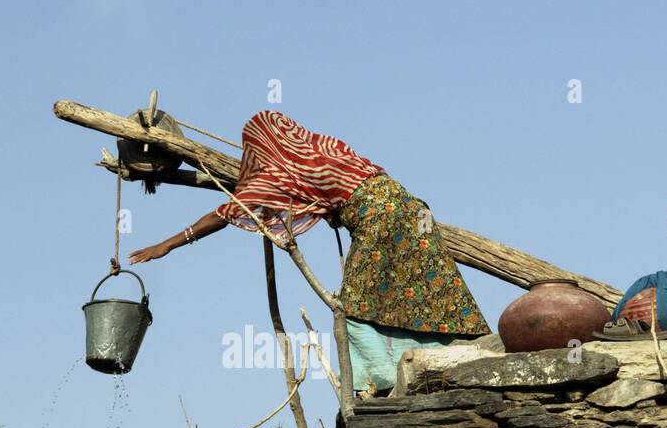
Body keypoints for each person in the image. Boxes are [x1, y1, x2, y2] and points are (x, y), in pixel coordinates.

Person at [128, 110, 489, 395]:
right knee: (431, 288)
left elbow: (225, 213)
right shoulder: (327, 147)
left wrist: (168, 245)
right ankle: (464, 353)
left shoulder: (278, 175)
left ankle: (377, 383)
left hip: (377, 220)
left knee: (356, 304)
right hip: (414, 209)